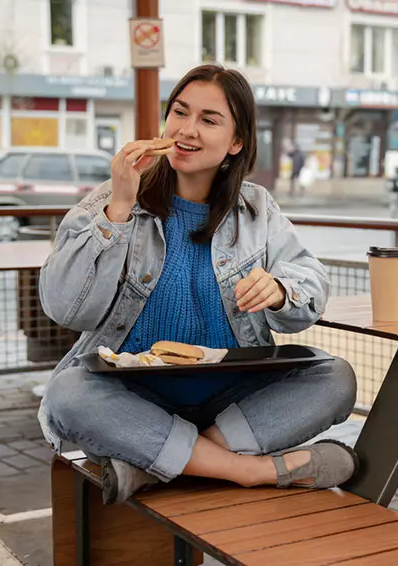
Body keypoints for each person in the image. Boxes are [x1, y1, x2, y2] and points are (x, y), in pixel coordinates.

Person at [37, 64, 358, 505]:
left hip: (231, 402)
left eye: (209, 120)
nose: (187, 130)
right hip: (133, 399)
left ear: (236, 141)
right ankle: (250, 471)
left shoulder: (257, 209)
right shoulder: (110, 198)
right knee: (67, 392)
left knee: (335, 377)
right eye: (179, 112)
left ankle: (156, 465)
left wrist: (281, 290)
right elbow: (63, 308)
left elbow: (310, 280)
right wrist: (118, 210)